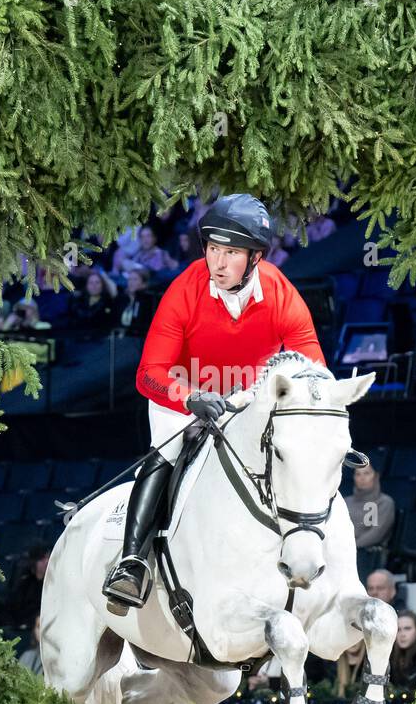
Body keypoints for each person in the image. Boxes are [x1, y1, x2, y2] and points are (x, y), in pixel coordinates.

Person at [102, 193, 326, 613]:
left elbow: (312, 370)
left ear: (256, 256)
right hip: (183, 398)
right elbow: (148, 373)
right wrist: (189, 397)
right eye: (213, 249)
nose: (218, 264)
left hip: (247, 400)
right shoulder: (186, 287)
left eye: (232, 253)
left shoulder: (280, 293)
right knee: (167, 452)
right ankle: (131, 562)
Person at [345, 461, 395, 578]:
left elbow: (377, 533)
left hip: (368, 555)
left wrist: (350, 547)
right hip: (344, 551)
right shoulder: (345, 502)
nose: (362, 478)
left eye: (367, 473)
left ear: (376, 476)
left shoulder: (384, 502)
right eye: (358, 474)